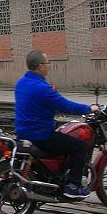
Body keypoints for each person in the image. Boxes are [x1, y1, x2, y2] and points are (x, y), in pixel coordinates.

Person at [13, 50, 100, 199]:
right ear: (40, 66)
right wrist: (89, 109)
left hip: (22, 132)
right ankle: (73, 186)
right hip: (41, 135)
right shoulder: (42, 88)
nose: (48, 66)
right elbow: (65, 106)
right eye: (47, 63)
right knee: (79, 146)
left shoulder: (21, 83)